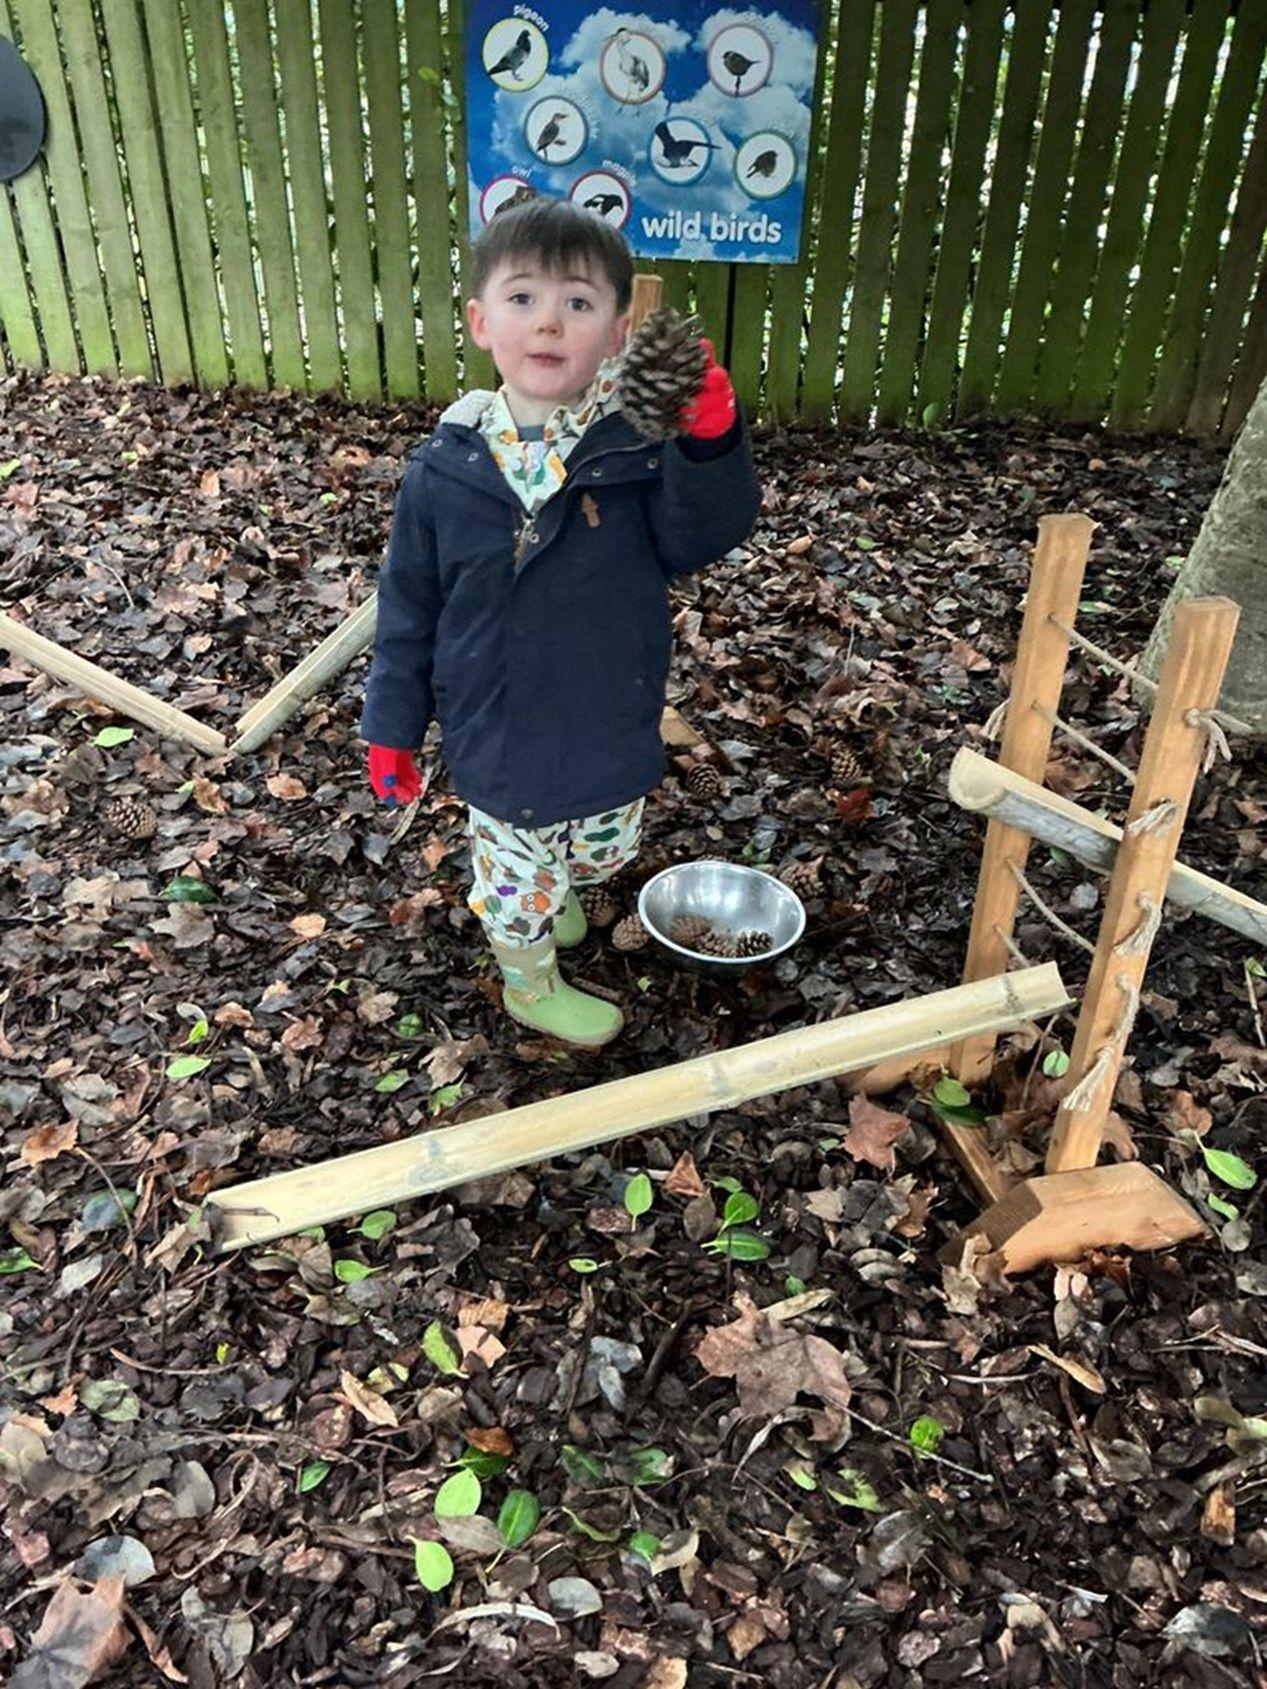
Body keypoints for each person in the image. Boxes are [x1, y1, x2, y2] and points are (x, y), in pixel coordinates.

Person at [361, 197, 761, 1048]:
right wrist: (392, 727)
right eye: (522, 299)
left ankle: (561, 882)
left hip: (605, 702)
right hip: (494, 716)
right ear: (479, 321)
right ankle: (529, 980)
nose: (548, 321)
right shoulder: (446, 470)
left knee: (600, 842)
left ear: (616, 333)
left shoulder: (634, 449)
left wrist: (706, 441)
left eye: (577, 303)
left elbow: (699, 537)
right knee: (515, 866)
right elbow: (407, 609)